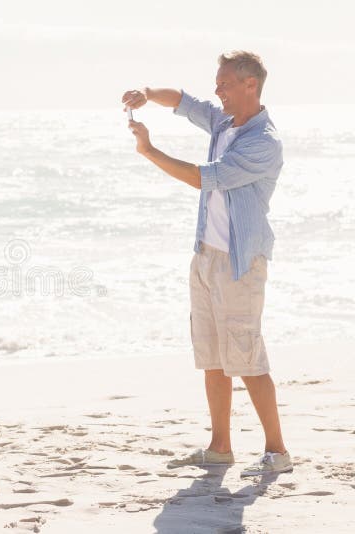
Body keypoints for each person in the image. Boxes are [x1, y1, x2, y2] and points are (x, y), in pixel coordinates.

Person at [121, 51, 292, 476]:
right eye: (217, 83)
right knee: (213, 357)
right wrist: (147, 93)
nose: (218, 91)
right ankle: (220, 448)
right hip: (206, 256)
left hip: (239, 264)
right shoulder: (223, 122)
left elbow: (206, 177)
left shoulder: (262, 142)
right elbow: (185, 102)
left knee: (247, 358)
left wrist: (149, 150)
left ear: (250, 84)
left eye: (225, 84)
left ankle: (277, 451)